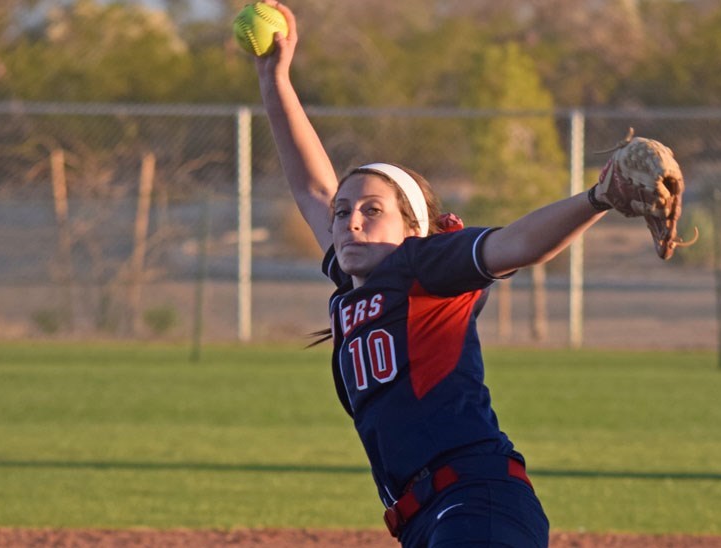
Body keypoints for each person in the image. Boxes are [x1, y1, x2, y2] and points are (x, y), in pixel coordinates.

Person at [250, 2, 611, 546]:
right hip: (426, 517)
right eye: (344, 213)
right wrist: (274, 77)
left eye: (373, 210)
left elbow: (516, 244)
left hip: (476, 498)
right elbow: (313, 189)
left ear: (412, 227)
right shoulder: (358, 280)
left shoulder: (420, 263)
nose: (350, 222)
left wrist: (597, 197)